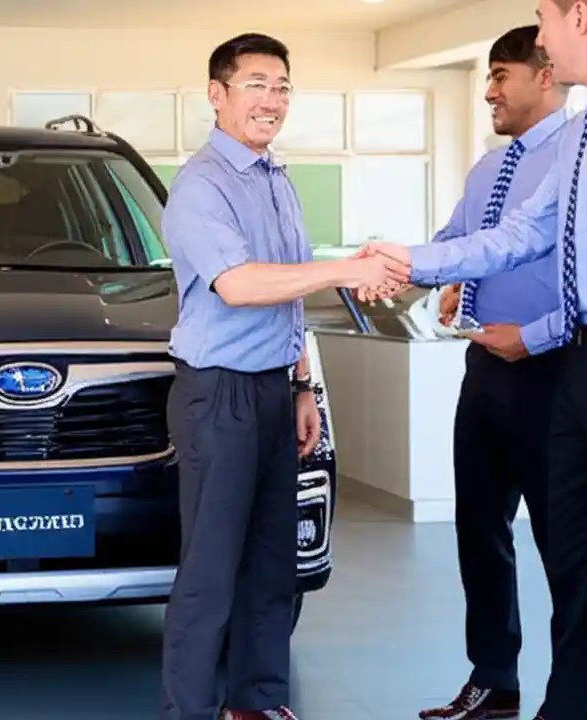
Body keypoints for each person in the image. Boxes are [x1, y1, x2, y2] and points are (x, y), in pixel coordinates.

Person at [363, 1, 587, 718]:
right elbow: (520, 233)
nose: (540, 38)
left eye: (544, 18)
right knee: (581, 571)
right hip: (582, 368)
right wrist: (414, 259)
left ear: (582, 15)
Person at [158, 32, 407, 720]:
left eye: (282, 87)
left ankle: (257, 703)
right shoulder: (199, 186)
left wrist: (303, 387)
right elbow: (238, 285)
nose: (271, 101)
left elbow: (287, 298)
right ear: (217, 95)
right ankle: (189, 710)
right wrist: (344, 269)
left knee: (273, 563)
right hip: (219, 395)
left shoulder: (277, 180)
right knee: (211, 571)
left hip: (271, 389)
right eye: (256, 85)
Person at [417, 25, 571, 720]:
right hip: (484, 370)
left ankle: (573, 695)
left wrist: (534, 339)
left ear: (545, 74)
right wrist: (392, 266)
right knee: (479, 529)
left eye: (500, 75)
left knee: (565, 542)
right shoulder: (489, 169)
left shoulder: (581, 157)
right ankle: (493, 681)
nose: (488, 91)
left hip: (555, 373)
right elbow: (456, 243)